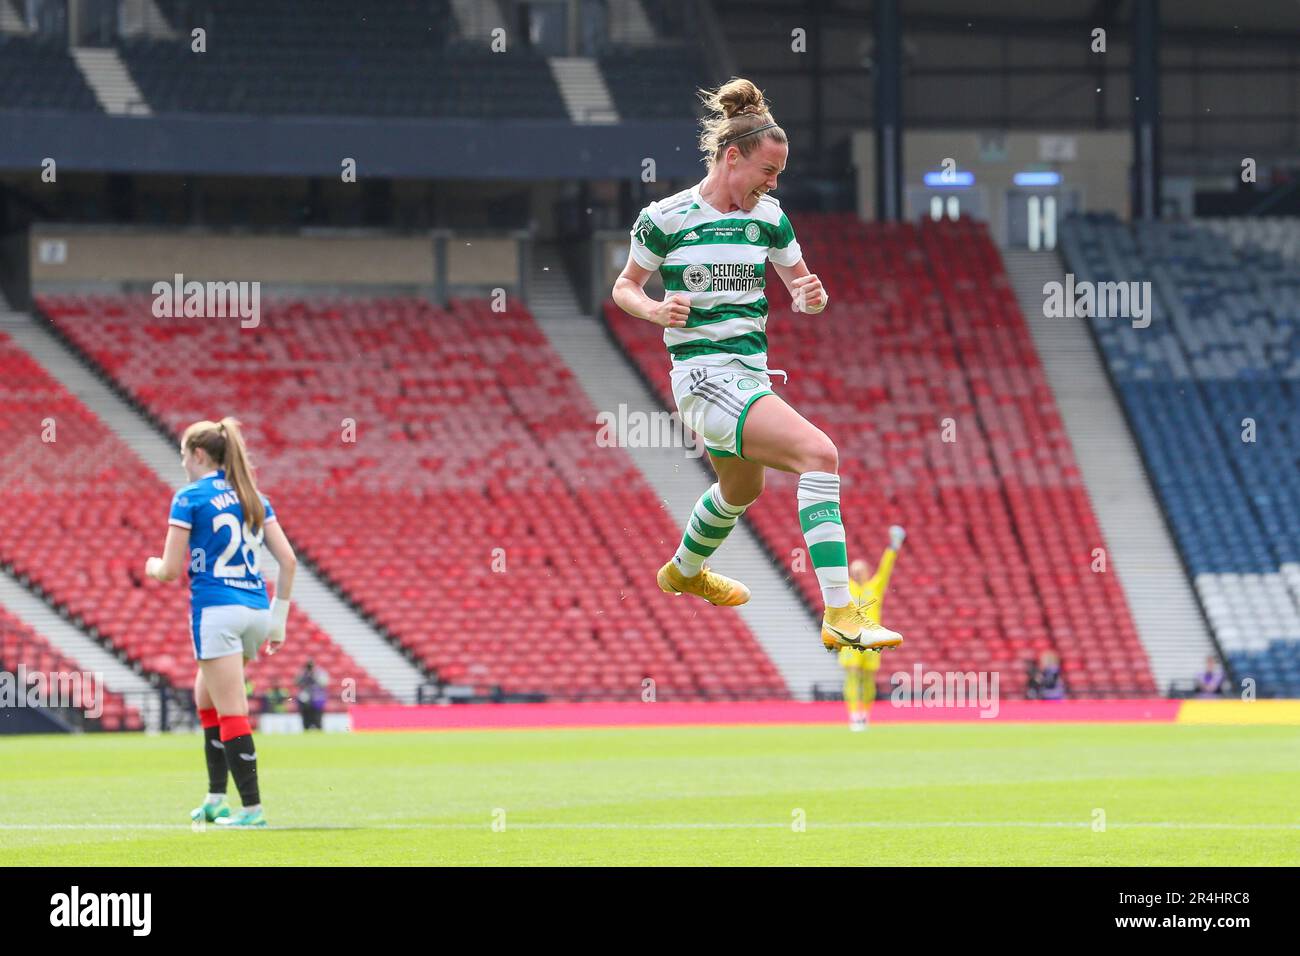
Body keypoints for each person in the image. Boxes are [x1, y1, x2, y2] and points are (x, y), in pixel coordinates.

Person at [611, 77, 903, 655]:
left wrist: (810, 296)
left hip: (748, 374)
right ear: (732, 157)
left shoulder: (768, 218)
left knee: (741, 487)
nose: (774, 184)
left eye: (779, 175)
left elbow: (801, 287)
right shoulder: (664, 219)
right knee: (820, 454)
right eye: (768, 172)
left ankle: (684, 571)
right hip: (703, 378)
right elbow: (625, 286)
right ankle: (841, 612)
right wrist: (653, 310)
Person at [145, 417, 297, 828]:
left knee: (231, 710)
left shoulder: (189, 497)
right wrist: (279, 620)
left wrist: (153, 565)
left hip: (217, 611)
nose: (182, 465)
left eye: (183, 456)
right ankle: (216, 799)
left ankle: (252, 810)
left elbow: (172, 570)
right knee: (206, 697)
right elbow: (288, 560)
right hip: (257, 611)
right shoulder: (253, 497)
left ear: (198, 454)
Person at [841, 526, 906, 730]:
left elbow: (885, 569)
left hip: (872, 640)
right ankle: (853, 715)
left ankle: (865, 715)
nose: (857, 572)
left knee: (868, 677)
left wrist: (893, 547)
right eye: (854, 570)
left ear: (867, 571)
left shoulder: (875, 587)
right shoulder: (846, 587)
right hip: (851, 638)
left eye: (860, 569)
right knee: (852, 674)